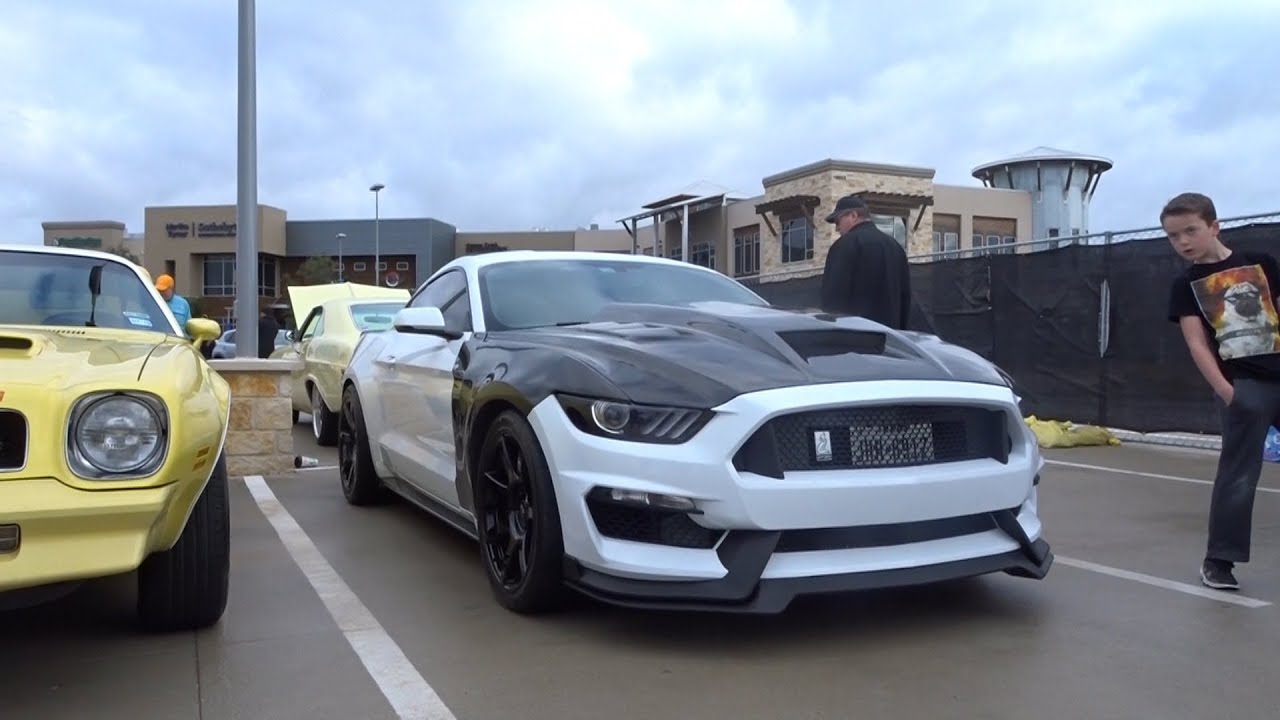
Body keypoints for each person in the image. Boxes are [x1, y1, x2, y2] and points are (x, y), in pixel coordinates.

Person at [1164, 191, 1280, 591]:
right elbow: (1197, 344)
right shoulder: (1186, 285)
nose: (1183, 242)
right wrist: (1228, 392)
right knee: (1238, 476)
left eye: (1190, 231)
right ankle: (1219, 563)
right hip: (1243, 387)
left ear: (1214, 226)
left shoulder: (1260, 264)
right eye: (1173, 236)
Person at [819, 194, 912, 330]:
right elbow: (905, 299)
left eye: (838, 221)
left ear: (853, 215)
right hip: (890, 340)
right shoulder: (895, 247)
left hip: (855, 338)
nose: (837, 228)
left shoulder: (844, 245)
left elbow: (833, 299)